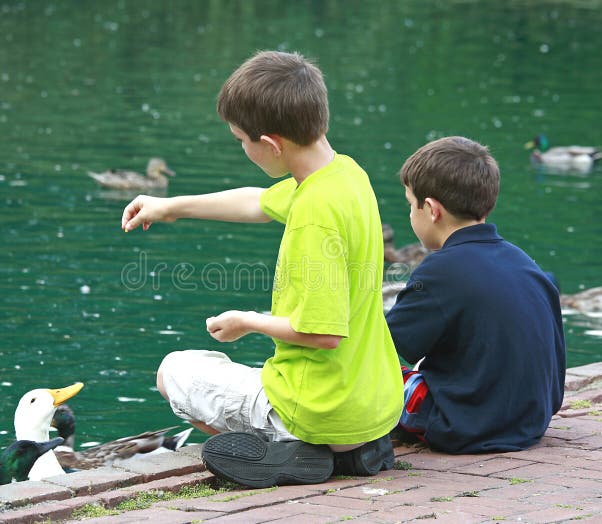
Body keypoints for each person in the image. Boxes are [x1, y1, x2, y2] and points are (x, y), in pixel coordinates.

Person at [121, 50, 403, 487]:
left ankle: (296, 450)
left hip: (318, 409)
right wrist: (172, 206)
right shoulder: (345, 175)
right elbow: (258, 201)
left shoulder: (314, 215)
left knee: (174, 371)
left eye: (241, 139)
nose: (242, 147)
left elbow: (325, 334)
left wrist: (245, 321)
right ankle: (346, 448)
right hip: (373, 405)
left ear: (270, 144)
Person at [386, 136, 566, 454]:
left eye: (409, 204)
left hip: (461, 426)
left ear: (431, 209)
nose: (409, 215)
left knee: (364, 372)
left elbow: (385, 345)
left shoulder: (439, 271)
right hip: (530, 423)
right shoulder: (526, 264)